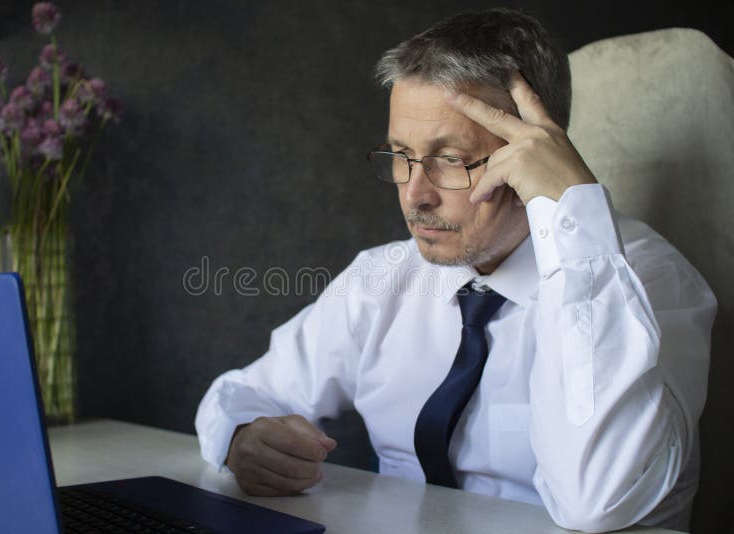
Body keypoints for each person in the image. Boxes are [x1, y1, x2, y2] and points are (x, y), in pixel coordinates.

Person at [195, 8, 716, 532]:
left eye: (451, 159)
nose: (415, 196)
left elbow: (600, 502)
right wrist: (241, 437)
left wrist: (568, 207)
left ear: (535, 155)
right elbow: (238, 394)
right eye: (401, 155)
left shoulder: (644, 282)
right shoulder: (383, 280)